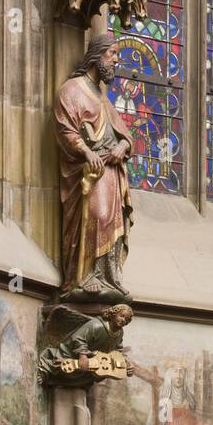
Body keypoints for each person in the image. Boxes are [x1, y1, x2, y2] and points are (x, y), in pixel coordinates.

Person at [54, 35, 135, 303]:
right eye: (112, 53)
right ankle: (85, 275)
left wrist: (123, 147)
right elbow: (65, 129)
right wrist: (88, 153)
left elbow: (123, 134)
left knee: (115, 222)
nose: (116, 59)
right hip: (90, 171)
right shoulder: (72, 90)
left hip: (112, 170)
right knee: (97, 215)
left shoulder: (103, 97)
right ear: (98, 55)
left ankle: (109, 277)